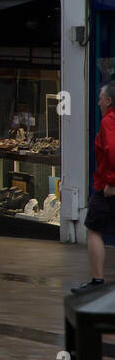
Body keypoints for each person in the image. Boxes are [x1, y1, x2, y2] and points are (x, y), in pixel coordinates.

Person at [75, 82, 115, 293]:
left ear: (108, 101)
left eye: (101, 98)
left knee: (93, 230)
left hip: (106, 188)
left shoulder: (109, 121)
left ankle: (97, 280)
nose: (98, 101)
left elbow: (111, 152)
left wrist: (111, 182)